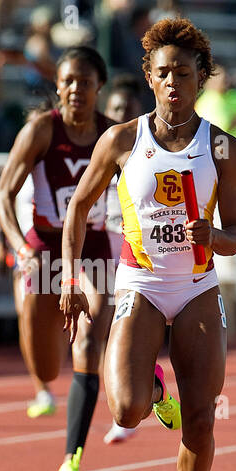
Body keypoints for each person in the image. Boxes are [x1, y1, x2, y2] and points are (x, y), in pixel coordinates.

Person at [61, 17, 236, 471]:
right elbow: (77, 206)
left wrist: (212, 236)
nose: (173, 83)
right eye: (163, 73)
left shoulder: (224, 150)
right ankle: (153, 394)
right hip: (140, 286)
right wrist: (70, 278)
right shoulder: (121, 140)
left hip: (195, 289)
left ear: (201, 80)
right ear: (148, 77)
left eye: (184, 74)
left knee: (203, 417)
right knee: (126, 407)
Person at [0, 47, 116, 471]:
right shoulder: (42, 131)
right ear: (57, 87)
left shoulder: (112, 134)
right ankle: (48, 384)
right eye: (67, 81)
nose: (75, 90)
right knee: (45, 366)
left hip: (94, 247)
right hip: (45, 250)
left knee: (90, 334)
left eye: (84, 81)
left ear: (98, 86)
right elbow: (3, 195)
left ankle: (71, 459)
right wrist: (19, 248)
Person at [101, 74, 144, 445]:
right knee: (100, 331)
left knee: (124, 331)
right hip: (100, 249)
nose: (120, 114)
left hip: (136, 254)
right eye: (115, 108)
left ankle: (132, 405)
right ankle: (124, 407)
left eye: (128, 109)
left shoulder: (147, 146)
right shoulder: (103, 147)